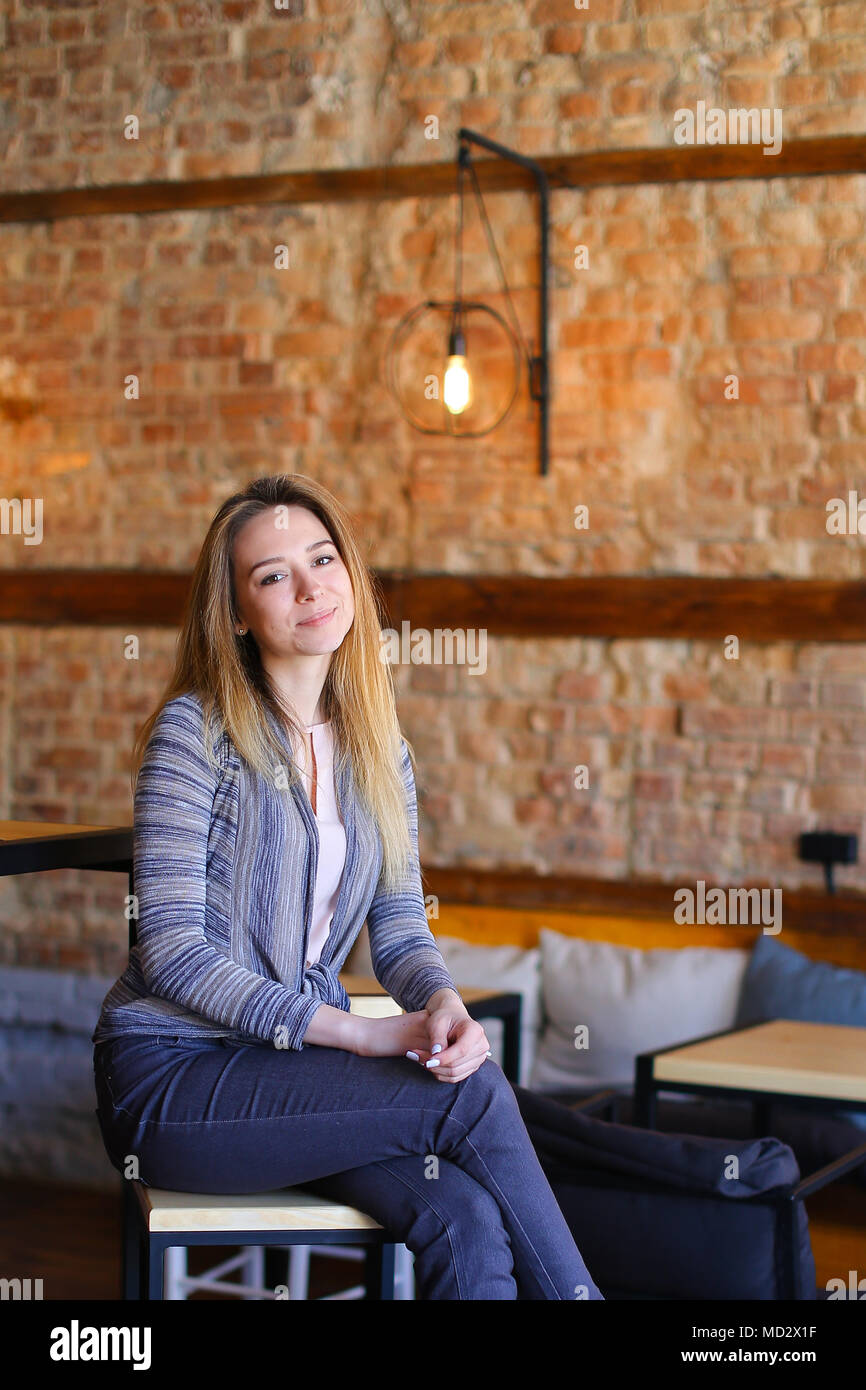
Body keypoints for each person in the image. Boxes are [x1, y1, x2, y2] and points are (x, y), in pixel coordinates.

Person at [92, 472, 604, 1301]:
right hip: (173, 1081)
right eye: (272, 575)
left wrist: (440, 1000)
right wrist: (363, 1035)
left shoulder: (379, 747)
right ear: (236, 614)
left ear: (351, 575)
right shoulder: (195, 733)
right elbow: (173, 952)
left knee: (464, 1219)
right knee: (467, 1097)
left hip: (289, 1078)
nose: (309, 586)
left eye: (323, 558)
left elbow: (398, 923)